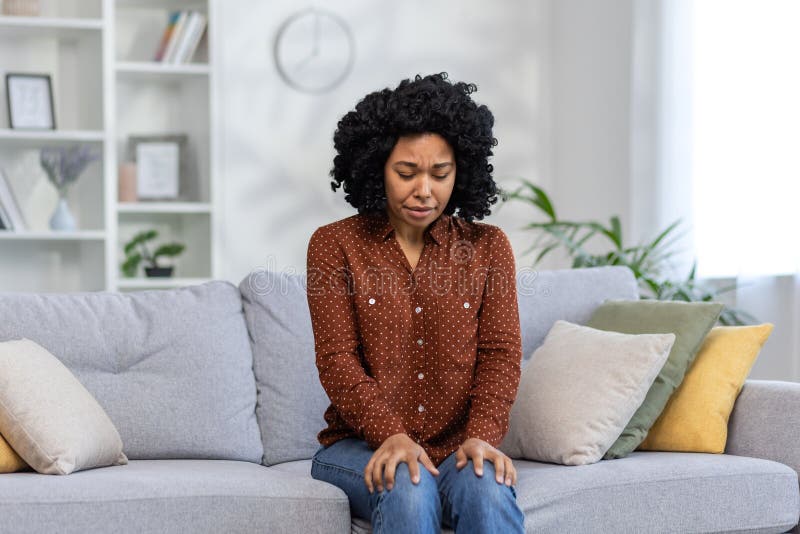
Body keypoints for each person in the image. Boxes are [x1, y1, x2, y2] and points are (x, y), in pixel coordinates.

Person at [307, 72, 525, 534]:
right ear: (375, 166)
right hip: (357, 445)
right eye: (406, 173)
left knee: (486, 489)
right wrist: (392, 435)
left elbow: (500, 356)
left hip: (456, 448)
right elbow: (336, 360)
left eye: (440, 174)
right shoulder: (334, 245)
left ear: (460, 172)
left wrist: (482, 438)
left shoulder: (489, 247)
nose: (424, 189)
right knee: (406, 482)